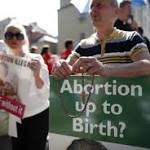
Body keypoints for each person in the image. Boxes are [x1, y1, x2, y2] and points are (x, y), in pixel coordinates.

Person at [52, 0, 150, 79]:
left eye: (99, 5)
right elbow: (67, 67)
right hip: (92, 104)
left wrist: (105, 69)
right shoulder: (83, 45)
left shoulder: (131, 38)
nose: (93, 10)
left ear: (116, 11)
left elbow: (147, 66)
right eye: (91, 6)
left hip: (124, 103)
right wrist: (60, 67)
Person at [3, 22, 50, 150]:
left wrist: (36, 74)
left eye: (18, 35)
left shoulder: (35, 59)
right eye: (9, 35)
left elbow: (46, 92)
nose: (14, 38)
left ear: (24, 39)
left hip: (37, 114)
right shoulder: (3, 62)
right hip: (15, 114)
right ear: (4, 38)